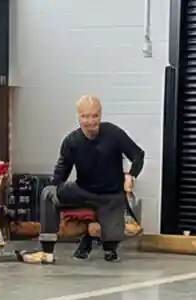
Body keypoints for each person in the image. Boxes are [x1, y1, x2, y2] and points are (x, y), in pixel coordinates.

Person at [19, 94, 145, 264]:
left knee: (112, 247)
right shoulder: (72, 141)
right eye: (85, 116)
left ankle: (94, 238)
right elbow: (62, 169)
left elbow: (138, 154)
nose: (90, 121)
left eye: (95, 116)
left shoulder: (114, 134)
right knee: (48, 194)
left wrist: (132, 175)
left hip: (111, 196)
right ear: (79, 116)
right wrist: (54, 186)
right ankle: (47, 251)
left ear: (100, 115)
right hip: (83, 190)